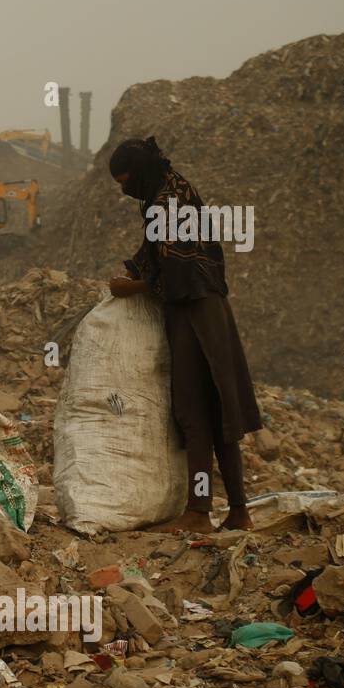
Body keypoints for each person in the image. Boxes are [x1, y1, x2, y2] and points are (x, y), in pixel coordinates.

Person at [107, 136, 262, 532]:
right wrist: (139, 270)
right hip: (211, 308)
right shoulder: (175, 189)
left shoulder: (165, 203)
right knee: (220, 407)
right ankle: (239, 511)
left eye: (127, 182)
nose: (125, 191)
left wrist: (134, 287)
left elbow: (175, 270)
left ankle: (198, 512)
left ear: (139, 174)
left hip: (193, 308)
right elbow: (156, 252)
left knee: (195, 411)